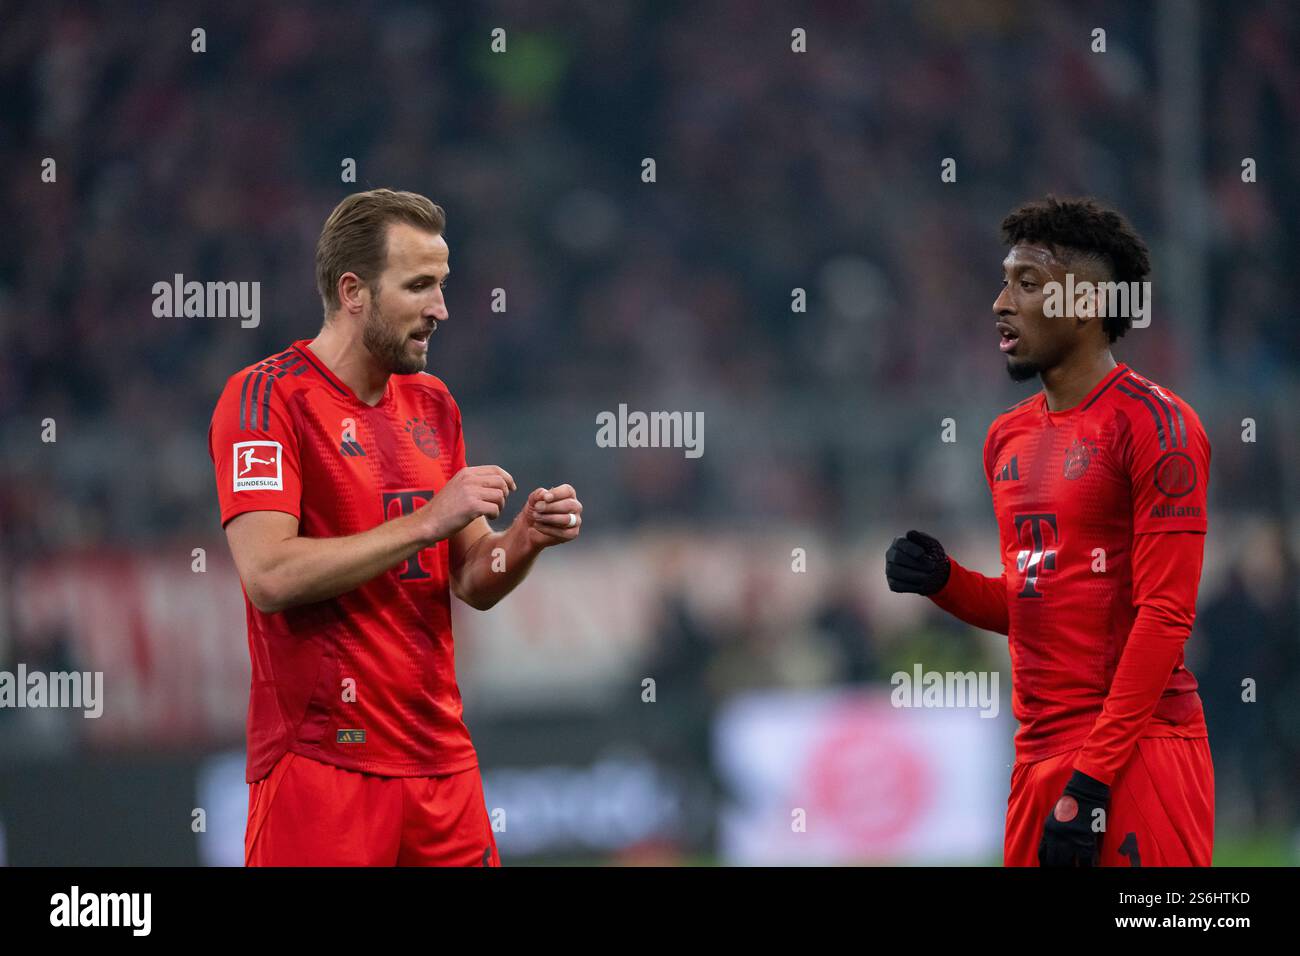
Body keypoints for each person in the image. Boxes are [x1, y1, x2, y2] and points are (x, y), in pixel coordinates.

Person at [208, 188, 583, 866]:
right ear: (354, 292)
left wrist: (524, 540)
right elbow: (268, 576)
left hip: (441, 764)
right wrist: (427, 521)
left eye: (442, 285)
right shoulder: (264, 399)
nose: (441, 309)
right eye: (419, 287)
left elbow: (471, 578)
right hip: (323, 764)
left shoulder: (433, 403)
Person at [885, 196, 1213, 867]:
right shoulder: (1006, 438)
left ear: (1087, 306)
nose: (1001, 303)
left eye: (1028, 285)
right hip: (1036, 758)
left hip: (1136, 754)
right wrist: (946, 584)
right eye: (1005, 282)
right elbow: (1041, 602)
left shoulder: (1157, 427)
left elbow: (1166, 615)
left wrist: (1092, 779)